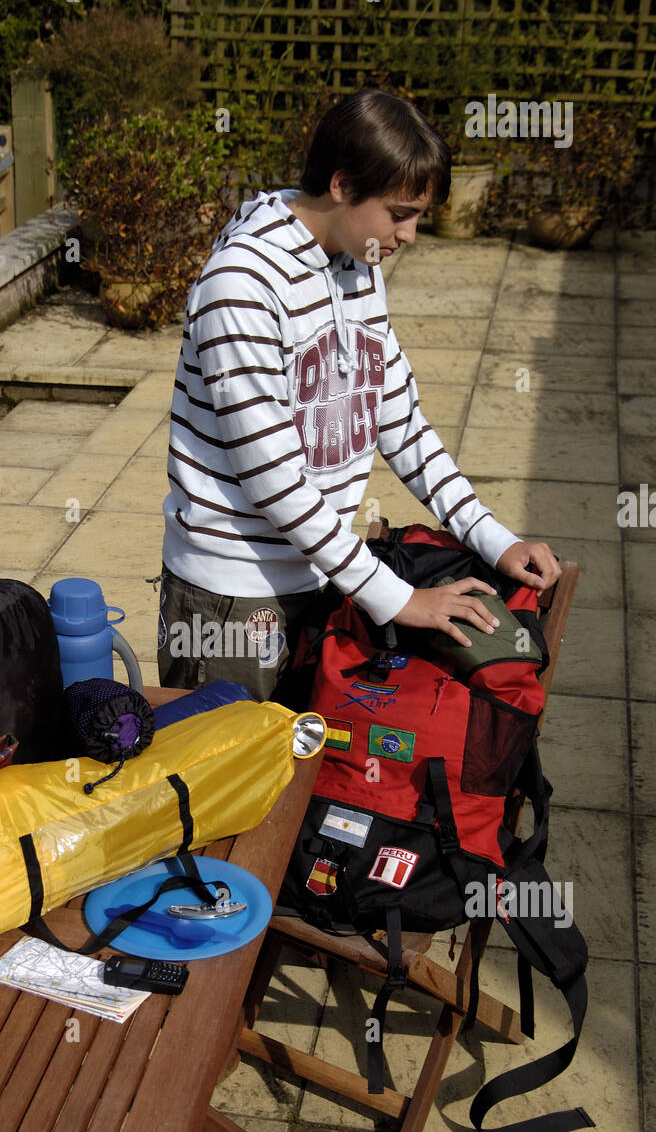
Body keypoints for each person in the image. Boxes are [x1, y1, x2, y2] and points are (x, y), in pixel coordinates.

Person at [157, 87, 560, 703]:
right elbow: (277, 485)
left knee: (308, 779)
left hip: (324, 577)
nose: (412, 234)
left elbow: (397, 418)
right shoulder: (240, 287)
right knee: (230, 794)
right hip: (230, 604)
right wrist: (398, 599)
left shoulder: (356, 262)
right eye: (400, 213)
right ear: (342, 185)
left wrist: (492, 536)